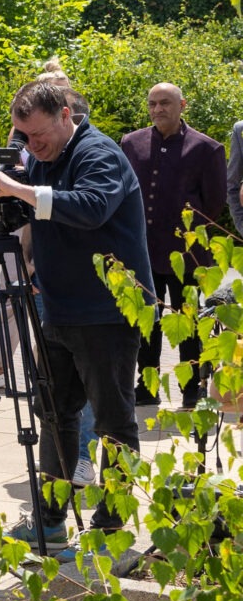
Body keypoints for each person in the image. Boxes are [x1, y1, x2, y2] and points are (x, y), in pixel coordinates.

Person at [0, 79, 155, 553]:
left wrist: (21, 188)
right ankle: (50, 519)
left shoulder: (100, 154)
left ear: (65, 116)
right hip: (58, 305)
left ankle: (112, 527)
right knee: (54, 412)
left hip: (107, 311)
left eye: (39, 136)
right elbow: (35, 210)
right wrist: (5, 200)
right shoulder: (42, 158)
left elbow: (92, 208)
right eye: (25, 138)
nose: (33, 147)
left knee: (114, 422)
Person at [122, 82, 225, 409]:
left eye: (165, 103)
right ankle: (146, 385)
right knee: (144, 323)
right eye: (152, 103)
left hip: (188, 255)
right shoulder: (131, 143)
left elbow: (213, 203)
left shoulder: (206, 149)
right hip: (143, 251)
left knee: (190, 323)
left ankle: (192, 388)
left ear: (182, 105)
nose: (158, 109)